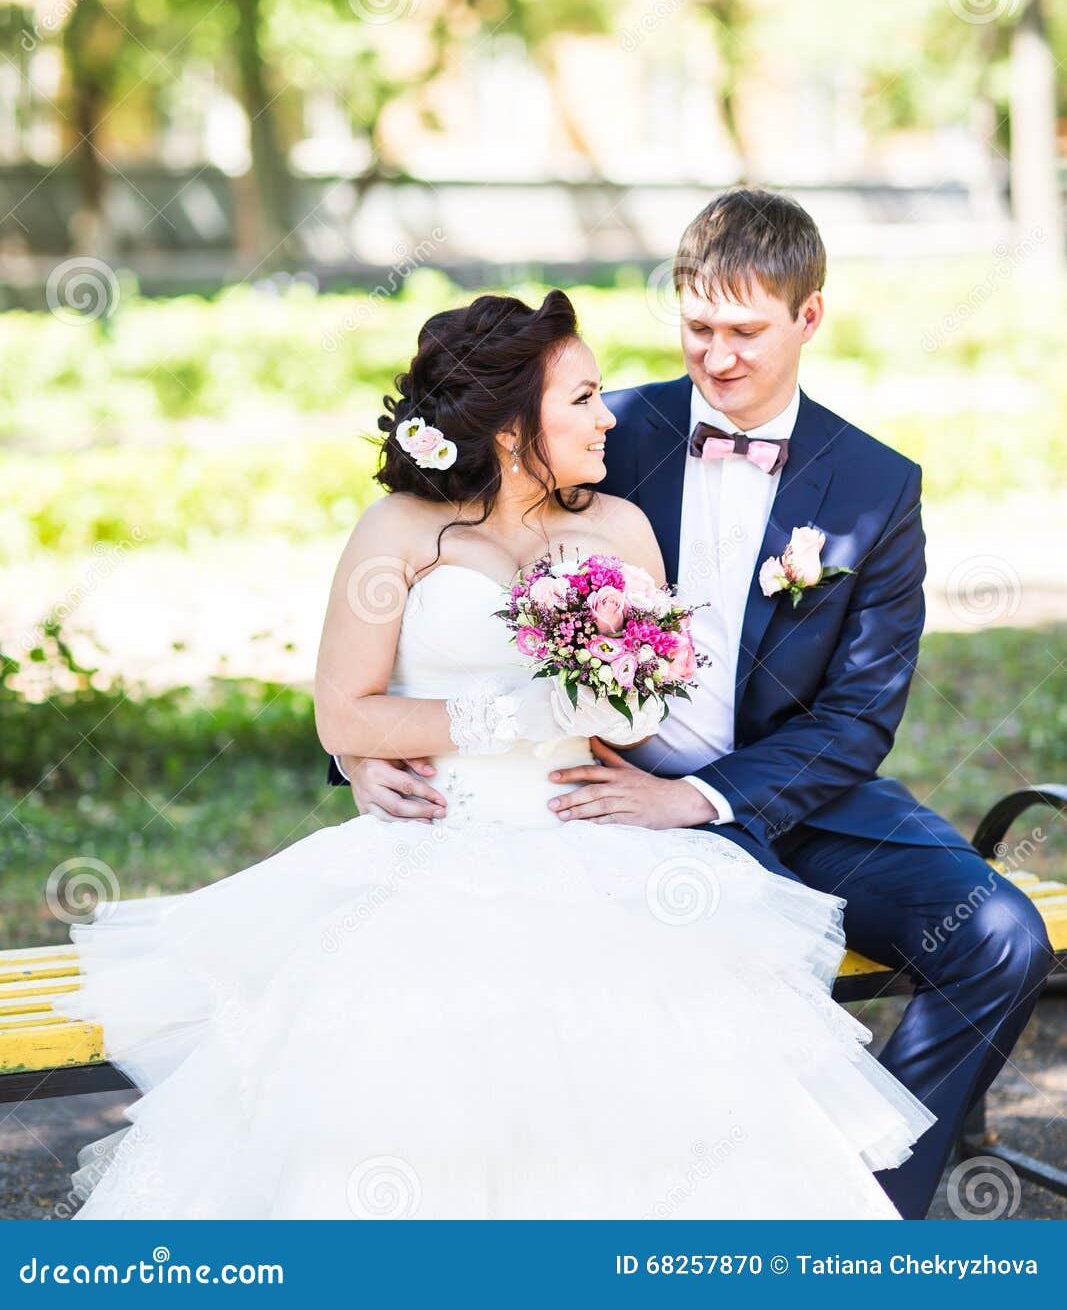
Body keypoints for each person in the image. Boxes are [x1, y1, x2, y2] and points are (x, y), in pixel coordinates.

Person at [66, 288, 932, 1219]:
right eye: (584, 399)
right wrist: (509, 713)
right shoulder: (395, 531)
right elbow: (344, 716)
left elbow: (638, 725)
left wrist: (622, 674)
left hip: (594, 841)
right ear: (516, 431)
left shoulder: (616, 529)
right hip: (437, 845)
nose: (610, 417)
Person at [340, 192, 1054, 1220]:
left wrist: (702, 802)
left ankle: (856, 1210)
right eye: (696, 325)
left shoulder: (872, 487)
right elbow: (424, 572)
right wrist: (367, 751)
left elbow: (857, 715)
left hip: (794, 795)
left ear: (808, 319)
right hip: (587, 796)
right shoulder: (593, 429)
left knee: (999, 934)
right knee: (718, 963)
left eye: (744, 331)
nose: (715, 356)